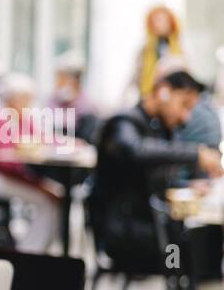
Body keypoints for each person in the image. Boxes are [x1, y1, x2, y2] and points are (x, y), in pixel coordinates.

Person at [91, 66, 223, 273]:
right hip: (125, 241)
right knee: (195, 252)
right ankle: (183, 289)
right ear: (163, 91)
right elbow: (135, 151)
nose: (186, 117)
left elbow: (150, 181)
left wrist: (188, 186)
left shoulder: (157, 128)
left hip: (150, 234)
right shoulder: (123, 124)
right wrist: (196, 154)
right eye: (184, 105)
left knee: (207, 245)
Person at [0, 73, 62, 253]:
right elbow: (4, 162)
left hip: (4, 174)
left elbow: (41, 138)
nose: (29, 104)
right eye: (26, 99)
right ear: (15, 97)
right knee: (48, 201)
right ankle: (31, 252)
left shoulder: (19, 116)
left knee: (52, 197)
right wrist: (39, 185)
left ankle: (34, 250)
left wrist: (66, 143)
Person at [49, 50, 100, 144]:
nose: (57, 84)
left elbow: (86, 142)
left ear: (74, 81)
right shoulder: (53, 101)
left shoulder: (88, 109)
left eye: (61, 78)